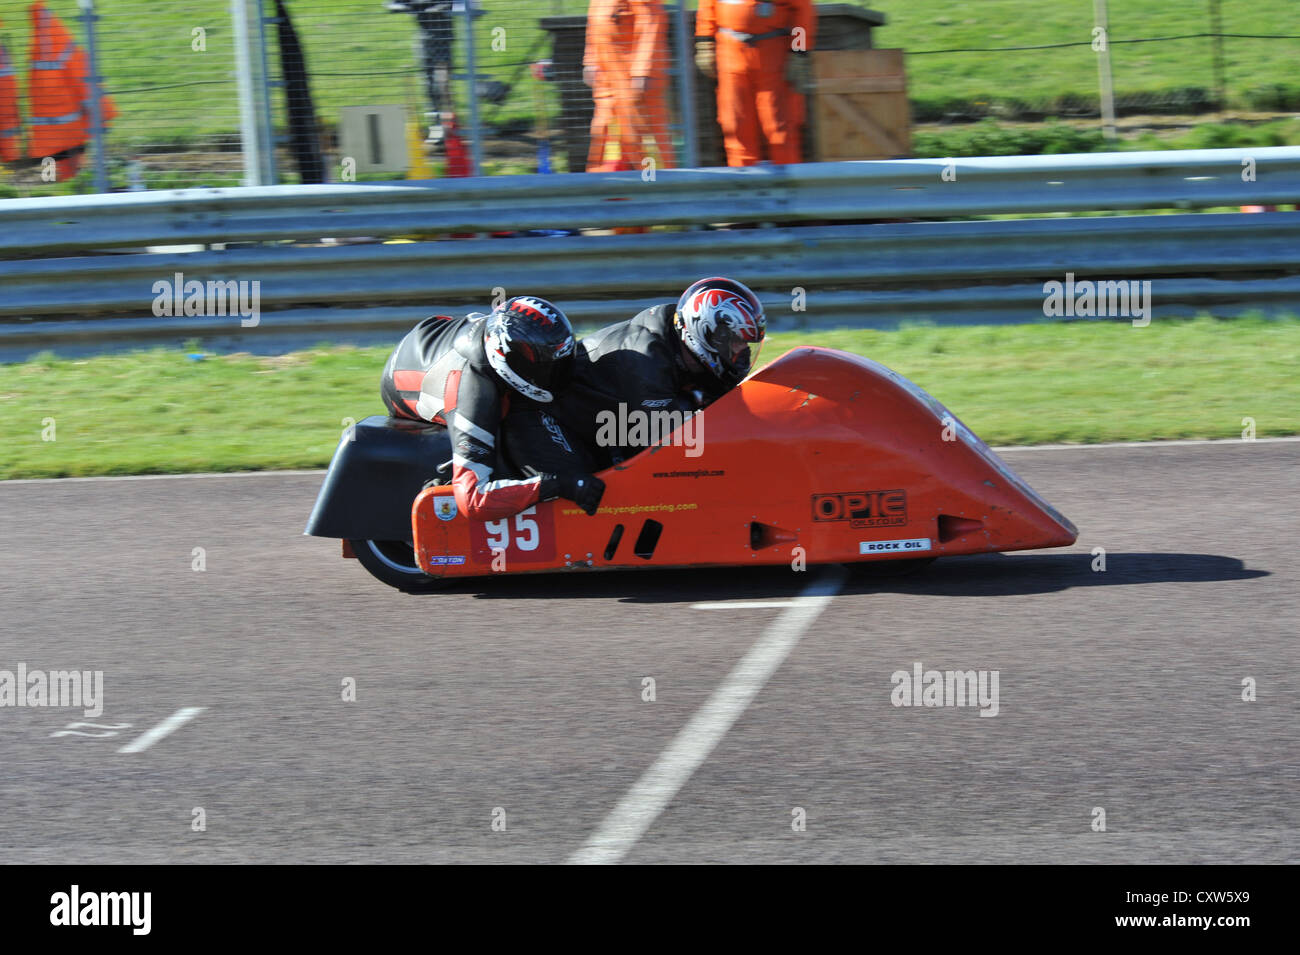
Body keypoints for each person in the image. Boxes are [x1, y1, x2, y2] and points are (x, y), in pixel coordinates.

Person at [380, 296, 605, 520]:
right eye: (548, 366)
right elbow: (472, 500)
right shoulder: (473, 392)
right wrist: (555, 485)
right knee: (505, 423)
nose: (558, 372)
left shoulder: (504, 342)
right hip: (403, 385)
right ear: (509, 359)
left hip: (437, 336)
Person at [551, 277, 766, 466]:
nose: (743, 352)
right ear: (710, 335)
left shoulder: (680, 335)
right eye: (737, 342)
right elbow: (665, 450)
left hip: (617, 419)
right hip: (568, 425)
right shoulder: (648, 362)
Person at [694, 0, 815, 167]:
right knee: (735, 125)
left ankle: (787, 185)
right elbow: (707, 6)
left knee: (781, 128)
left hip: (774, 55)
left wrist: (799, 52)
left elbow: (802, 10)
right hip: (730, 53)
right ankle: (742, 184)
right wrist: (704, 42)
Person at [583, 0, 676, 172]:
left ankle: (656, 187)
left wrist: (643, 69)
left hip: (634, 80)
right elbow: (595, 19)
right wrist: (591, 61)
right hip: (607, 77)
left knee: (644, 139)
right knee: (605, 134)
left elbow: (652, 21)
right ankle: (611, 191)